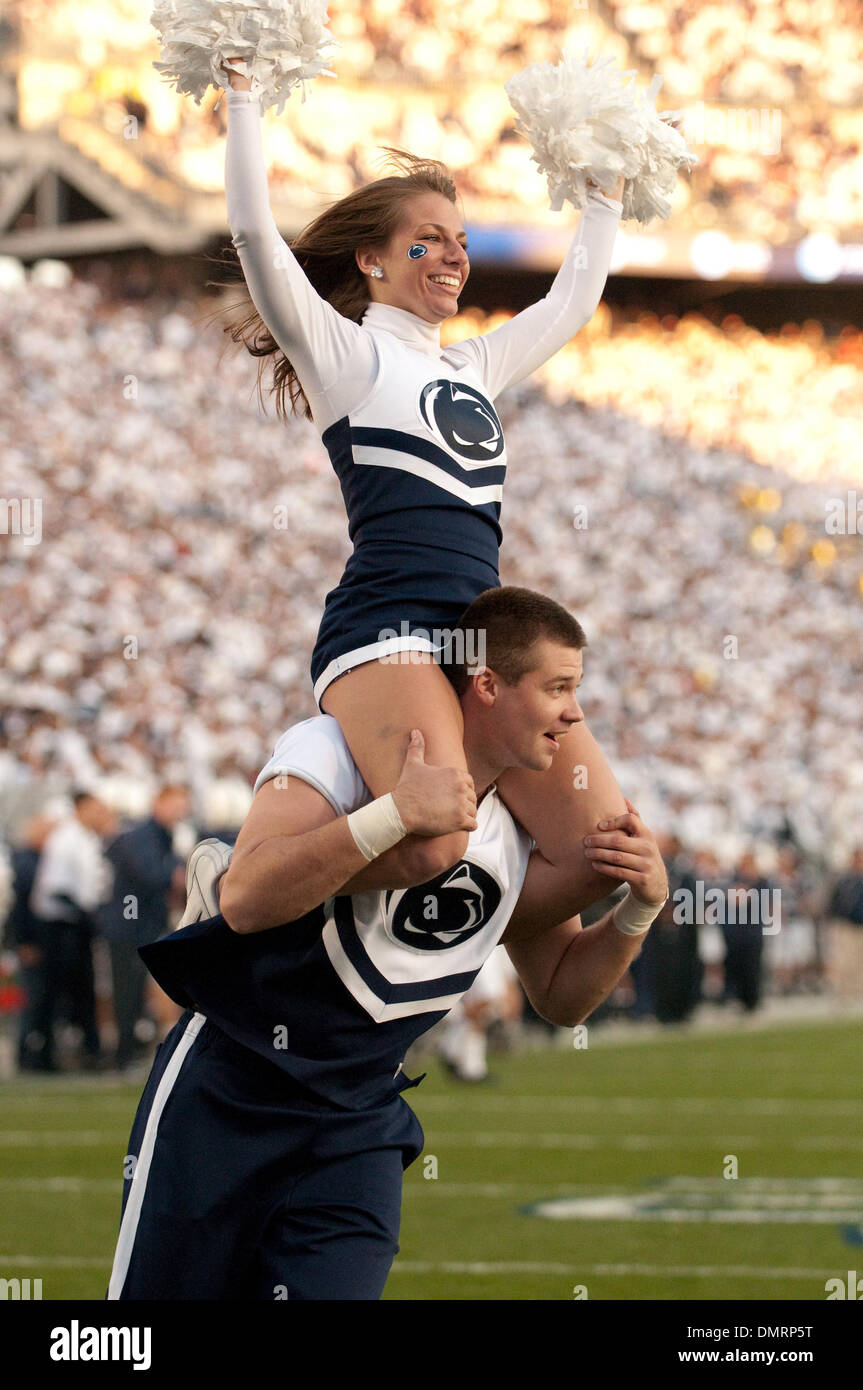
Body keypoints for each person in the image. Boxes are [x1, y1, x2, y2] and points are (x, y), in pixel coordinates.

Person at [106, 587, 668, 1300]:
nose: (574, 713)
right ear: (487, 685)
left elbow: (560, 996)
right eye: (558, 688)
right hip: (230, 1089)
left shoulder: (527, 830)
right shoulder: (334, 746)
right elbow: (246, 896)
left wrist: (636, 911)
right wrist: (395, 815)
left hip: (359, 1117)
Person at [217, 60, 629, 923]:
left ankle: (444, 948)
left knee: (606, 852)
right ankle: (246, 887)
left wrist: (605, 193)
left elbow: (570, 303)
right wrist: (245, 96)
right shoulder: (344, 354)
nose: (452, 255)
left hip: (487, 640)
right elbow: (257, 239)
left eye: (461, 242)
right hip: (389, 630)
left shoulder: (470, 364)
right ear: (370, 259)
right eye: (427, 238)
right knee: (437, 838)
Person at [98, 785, 190, 1071]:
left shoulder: (159, 836)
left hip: (142, 926)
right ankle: (122, 1056)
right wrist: (177, 877)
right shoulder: (142, 835)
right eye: (176, 804)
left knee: (137, 993)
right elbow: (152, 874)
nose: (180, 812)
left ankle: (130, 1051)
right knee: (127, 992)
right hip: (129, 928)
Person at [28, 792, 115, 1071]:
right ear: (82, 807)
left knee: (82, 991)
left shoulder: (86, 838)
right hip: (60, 927)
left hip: (77, 925)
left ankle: (87, 1051)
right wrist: (90, 914)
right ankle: (40, 1054)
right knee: (54, 992)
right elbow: (58, 889)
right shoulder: (66, 838)